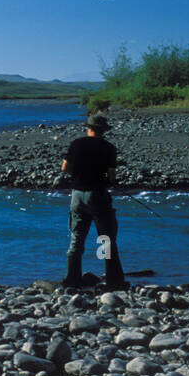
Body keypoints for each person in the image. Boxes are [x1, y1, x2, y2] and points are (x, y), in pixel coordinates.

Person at [60, 114, 127, 289]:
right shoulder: (109, 148)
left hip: (76, 195)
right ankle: (114, 282)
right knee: (106, 238)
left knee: (76, 239)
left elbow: (65, 168)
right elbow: (111, 176)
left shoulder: (76, 144)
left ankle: (71, 280)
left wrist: (78, 176)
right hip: (97, 195)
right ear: (104, 131)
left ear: (88, 128)